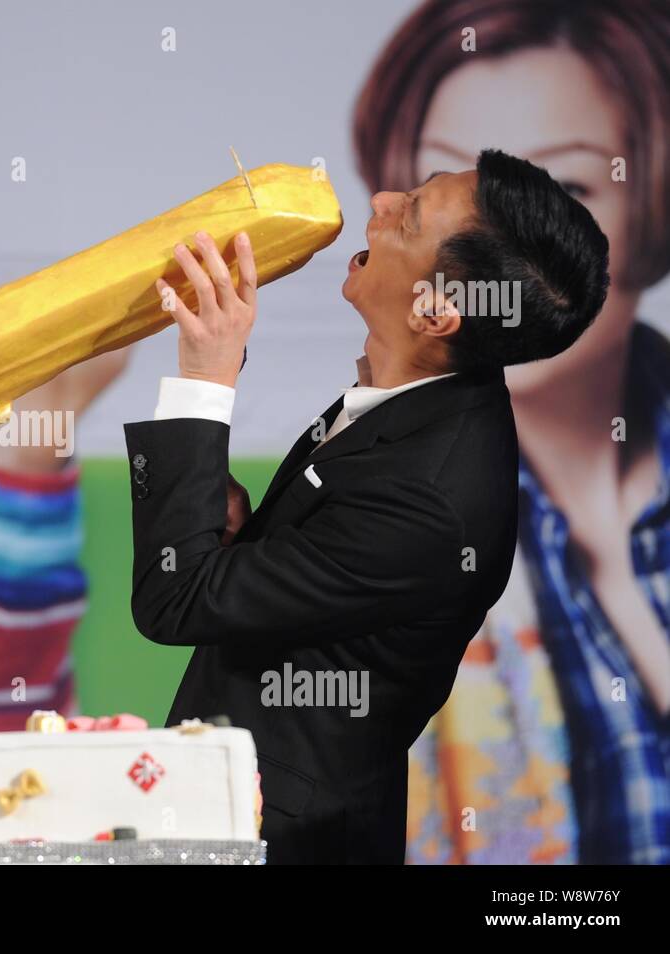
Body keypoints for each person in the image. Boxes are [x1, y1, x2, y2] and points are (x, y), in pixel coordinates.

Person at [125, 149, 610, 863]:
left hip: (280, 837)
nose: (381, 200)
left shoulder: (430, 498)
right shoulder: (417, 401)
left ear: (439, 313)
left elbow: (174, 601)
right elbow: (307, 590)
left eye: (409, 215)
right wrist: (235, 536)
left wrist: (206, 377)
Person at [353, 0, 670, 865]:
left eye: (564, 193)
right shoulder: (376, 494)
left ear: (653, 211)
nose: (492, 266)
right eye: (444, 201)